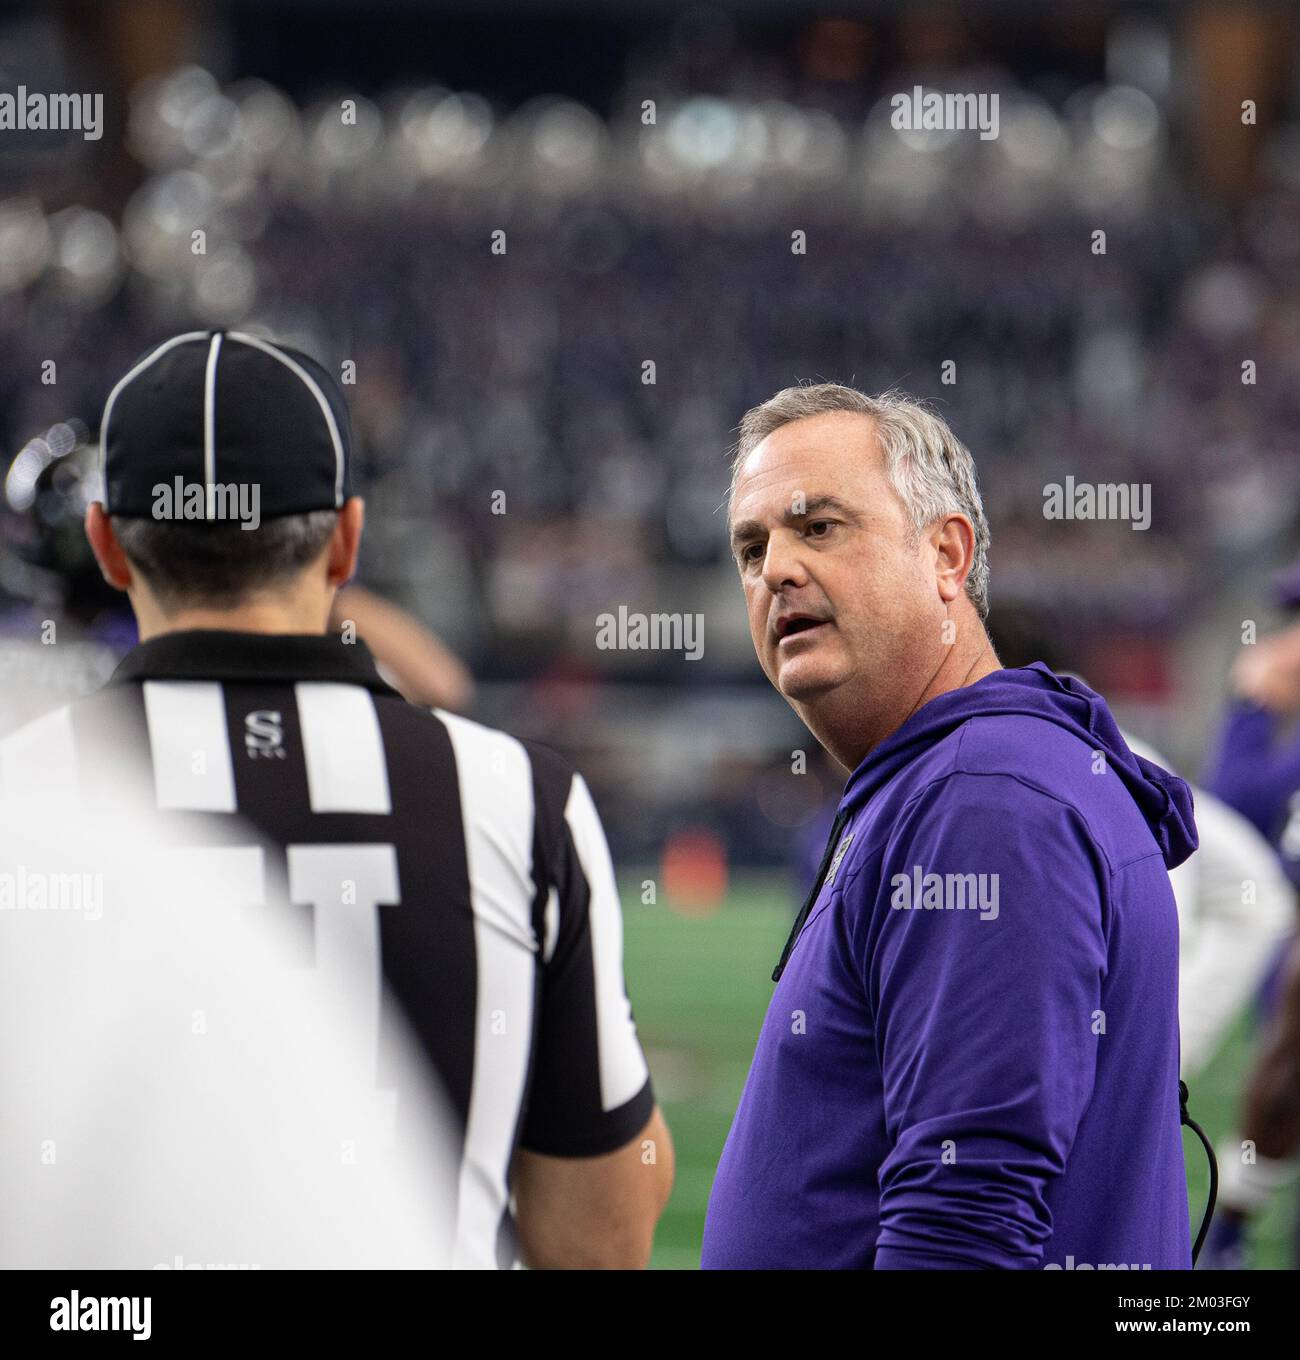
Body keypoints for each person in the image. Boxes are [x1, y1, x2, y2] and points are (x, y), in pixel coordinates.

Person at [1, 329, 673, 1269]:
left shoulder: (23, 800)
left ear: (108, 546)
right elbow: (601, 1238)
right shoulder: (518, 796)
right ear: (347, 539)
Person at [703, 383, 1198, 1270]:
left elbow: (963, 1222)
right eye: (751, 546)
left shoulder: (984, 801)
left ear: (946, 554)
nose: (774, 567)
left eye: (818, 528)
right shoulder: (954, 778)